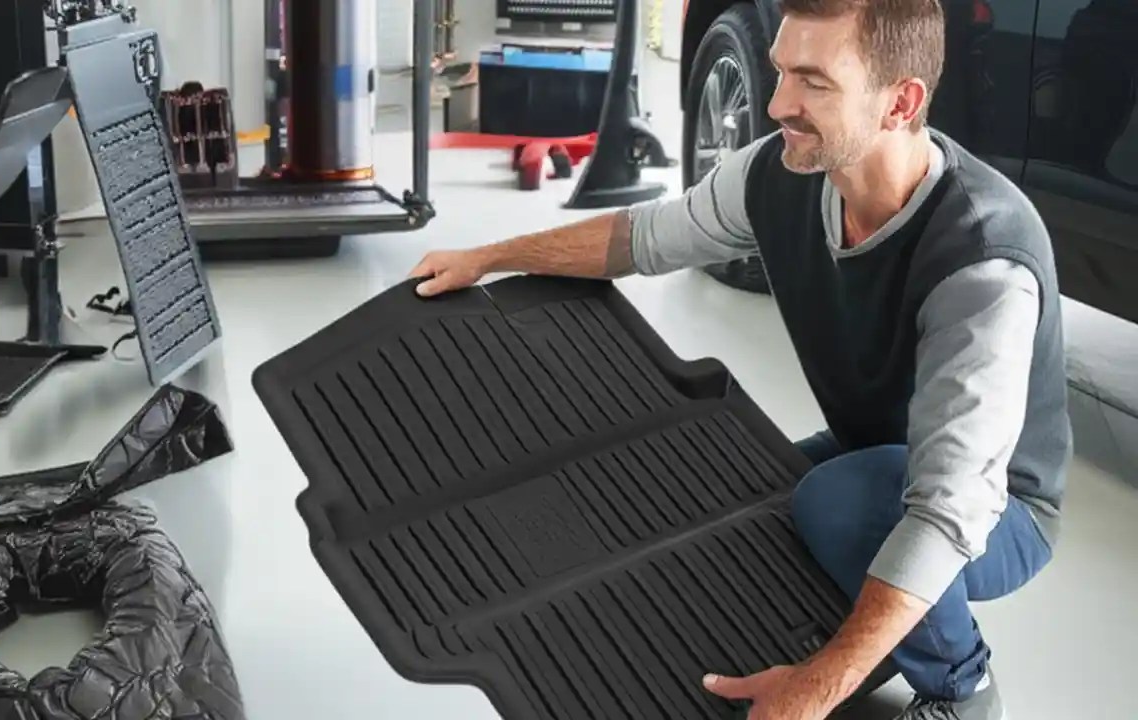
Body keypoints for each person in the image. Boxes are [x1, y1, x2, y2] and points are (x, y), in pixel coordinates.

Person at [409, 0, 1071, 718]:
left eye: (813, 81)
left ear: (900, 103)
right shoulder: (779, 174)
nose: (778, 103)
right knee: (723, 484)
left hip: (1000, 508)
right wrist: (490, 257)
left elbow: (949, 510)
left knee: (841, 505)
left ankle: (963, 688)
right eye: (780, 72)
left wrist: (814, 694)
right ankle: (825, 638)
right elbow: (642, 238)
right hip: (876, 452)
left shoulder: (981, 263)